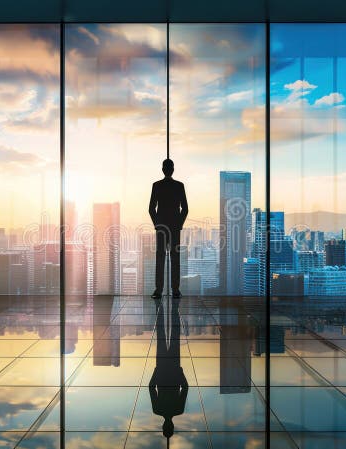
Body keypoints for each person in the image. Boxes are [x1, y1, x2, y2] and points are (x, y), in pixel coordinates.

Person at [148, 297, 188, 444]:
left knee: (174, 335)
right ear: (164, 426)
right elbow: (152, 388)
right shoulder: (157, 410)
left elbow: (185, 388)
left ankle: (173, 307)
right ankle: (162, 307)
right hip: (163, 369)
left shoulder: (178, 410)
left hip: (173, 368)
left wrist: (180, 372)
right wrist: (156, 371)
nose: (168, 425)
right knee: (161, 334)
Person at [148, 158, 188, 299]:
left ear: (162, 169)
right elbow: (185, 209)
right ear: (173, 169)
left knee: (160, 258)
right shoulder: (179, 186)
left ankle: (158, 290)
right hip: (174, 228)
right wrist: (179, 224)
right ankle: (175, 290)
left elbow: (151, 209)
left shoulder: (156, 185)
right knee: (175, 258)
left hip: (161, 228)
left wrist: (157, 224)